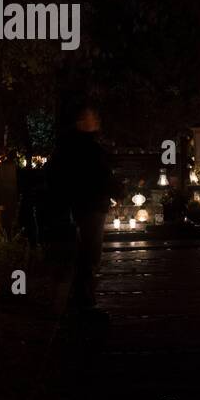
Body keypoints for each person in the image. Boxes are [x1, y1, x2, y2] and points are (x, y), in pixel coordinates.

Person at [46, 101, 116, 319]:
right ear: (81, 122)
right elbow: (99, 175)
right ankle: (84, 300)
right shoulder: (86, 147)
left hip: (84, 203)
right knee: (90, 251)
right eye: (90, 117)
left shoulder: (73, 145)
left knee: (87, 250)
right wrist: (116, 190)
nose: (95, 120)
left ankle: (83, 296)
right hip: (90, 204)